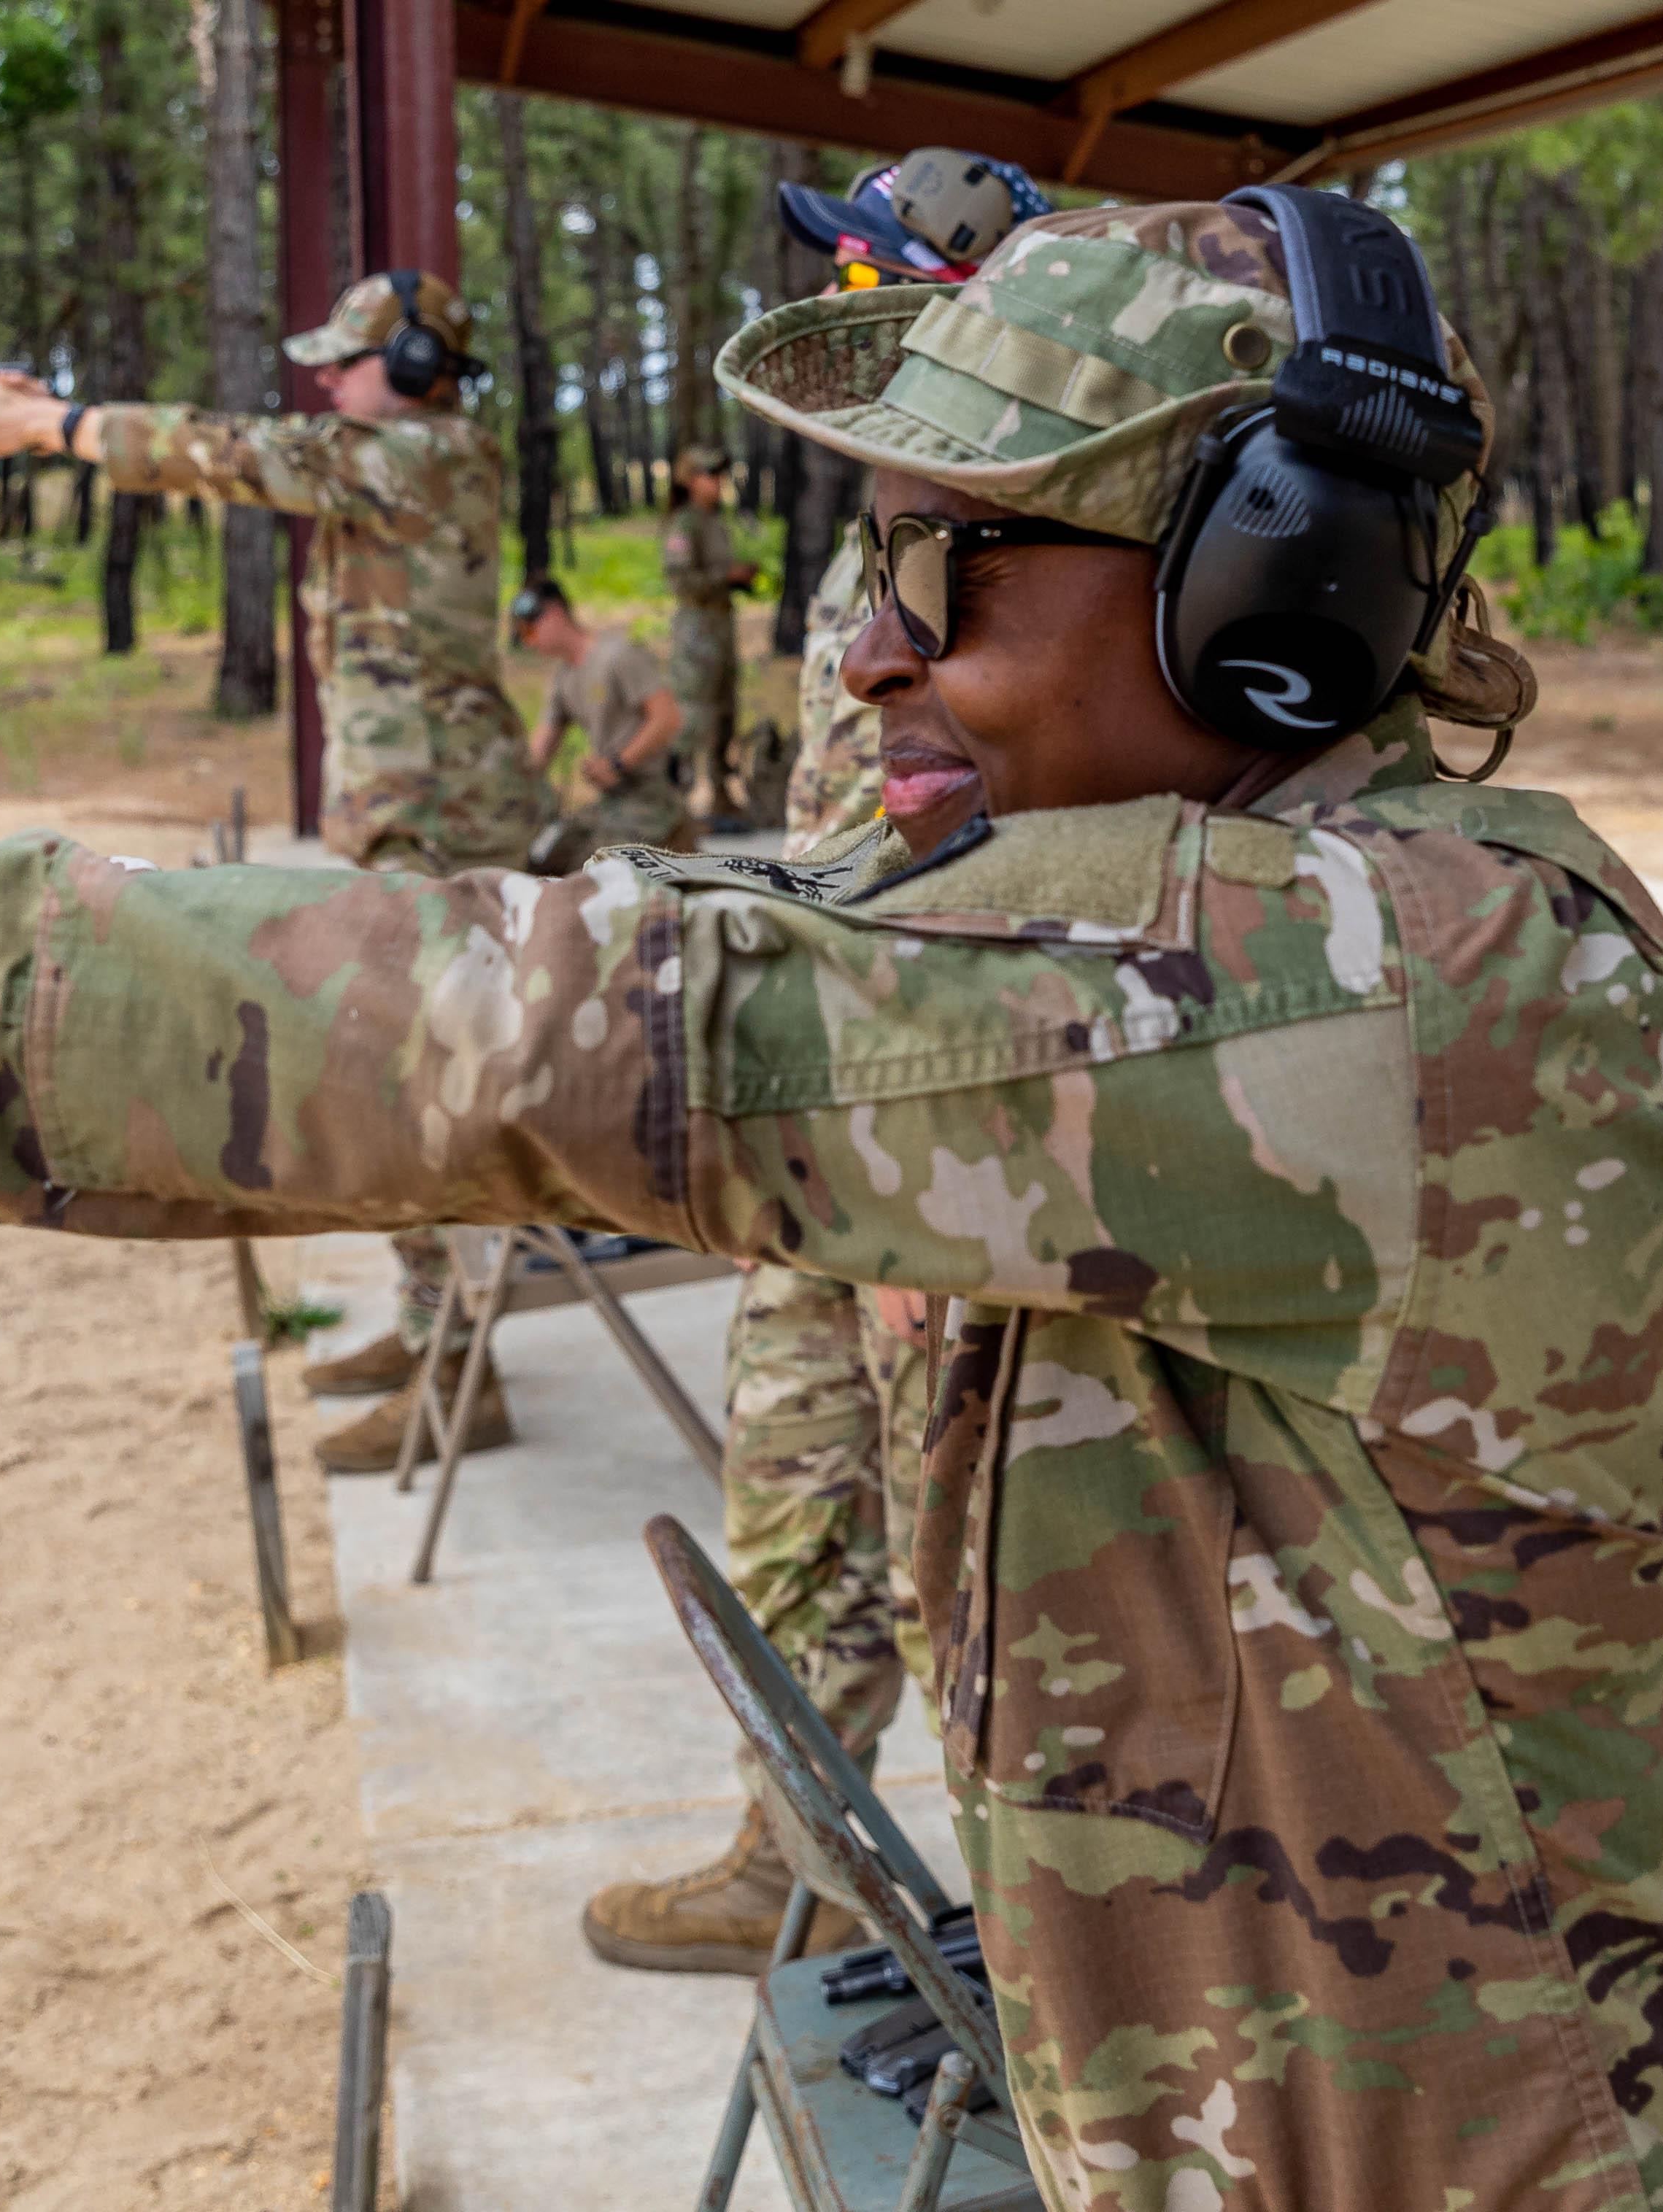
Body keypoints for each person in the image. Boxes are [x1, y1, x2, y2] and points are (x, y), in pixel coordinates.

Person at [0, 194, 1663, 2210]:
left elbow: (567, 1028)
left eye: (945, 560)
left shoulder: (1387, 983)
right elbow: (645, 985)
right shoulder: (1205, 946)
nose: (866, 652)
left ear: (1271, 591)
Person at [585, 155, 1038, 1979]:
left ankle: (1063, 1976)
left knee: (975, 1561)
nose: (833, 294)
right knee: (787, 1478)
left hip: (941, 1099)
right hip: (817, 1083)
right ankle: (789, 1850)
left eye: (864, 262)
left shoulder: (1044, 516)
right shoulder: (889, 504)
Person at [0, 273, 550, 1472]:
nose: (326, 378)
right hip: (411, 808)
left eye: (349, 360)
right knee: (395, 1081)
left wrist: (56, 425)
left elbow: (236, 452)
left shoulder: (423, 452)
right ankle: (432, 1330)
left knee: (411, 1086)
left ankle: (454, 1369)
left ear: (423, 366)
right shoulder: (390, 458)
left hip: (429, 813)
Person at [509, 575, 696, 873]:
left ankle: (679, 838)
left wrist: (618, 763)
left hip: (650, 796)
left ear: (556, 613)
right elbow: (542, 749)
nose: (529, 640)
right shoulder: (564, 678)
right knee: (544, 864)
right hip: (611, 801)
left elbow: (668, 718)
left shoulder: (617, 656)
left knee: (590, 875)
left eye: (531, 628)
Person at [661, 446, 756, 830]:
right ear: (690, 480)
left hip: (721, 628)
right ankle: (675, 805)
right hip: (696, 633)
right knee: (693, 717)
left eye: (719, 477)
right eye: (708, 476)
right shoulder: (684, 524)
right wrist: (726, 577)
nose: (716, 485)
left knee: (724, 713)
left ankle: (719, 796)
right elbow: (680, 581)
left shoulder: (714, 521)